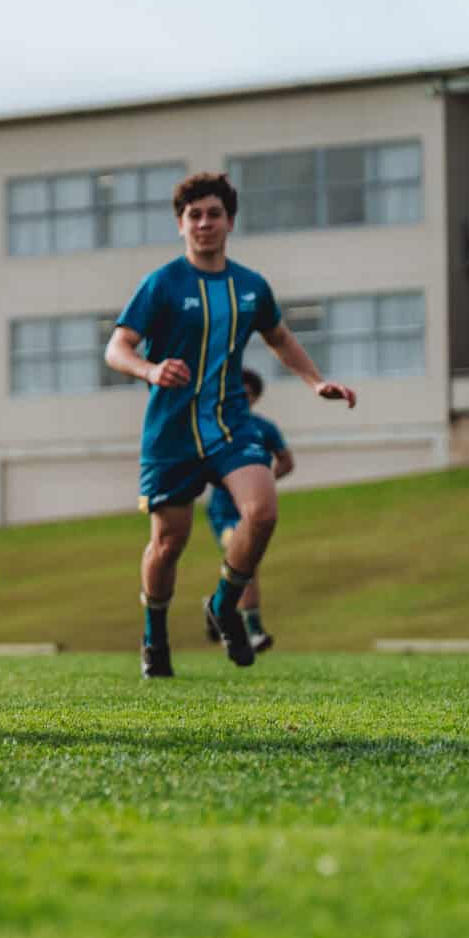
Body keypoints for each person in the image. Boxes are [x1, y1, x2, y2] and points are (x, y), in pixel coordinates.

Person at [103, 172, 356, 679]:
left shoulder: (250, 287)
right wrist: (151, 370)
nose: (204, 223)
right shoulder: (162, 285)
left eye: (213, 214)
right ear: (180, 225)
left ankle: (224, 604)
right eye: (194, 215)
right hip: (170, 434)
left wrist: (315, 382)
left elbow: (281, 339)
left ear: (230, 221)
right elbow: (117, 348)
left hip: (230, 425)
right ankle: (155, 638)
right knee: (168, 544)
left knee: (261, 512)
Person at [203, 368, 294, 653]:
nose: (241, 399)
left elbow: (286, 462)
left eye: (247, 394)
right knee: (247, 565)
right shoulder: (217, 425)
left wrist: (260, 485)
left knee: (244, 565)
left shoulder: (265, 428)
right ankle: (253, 630)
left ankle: (215, 605)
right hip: (225, 511)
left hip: (252, 507)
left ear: (256, 397)